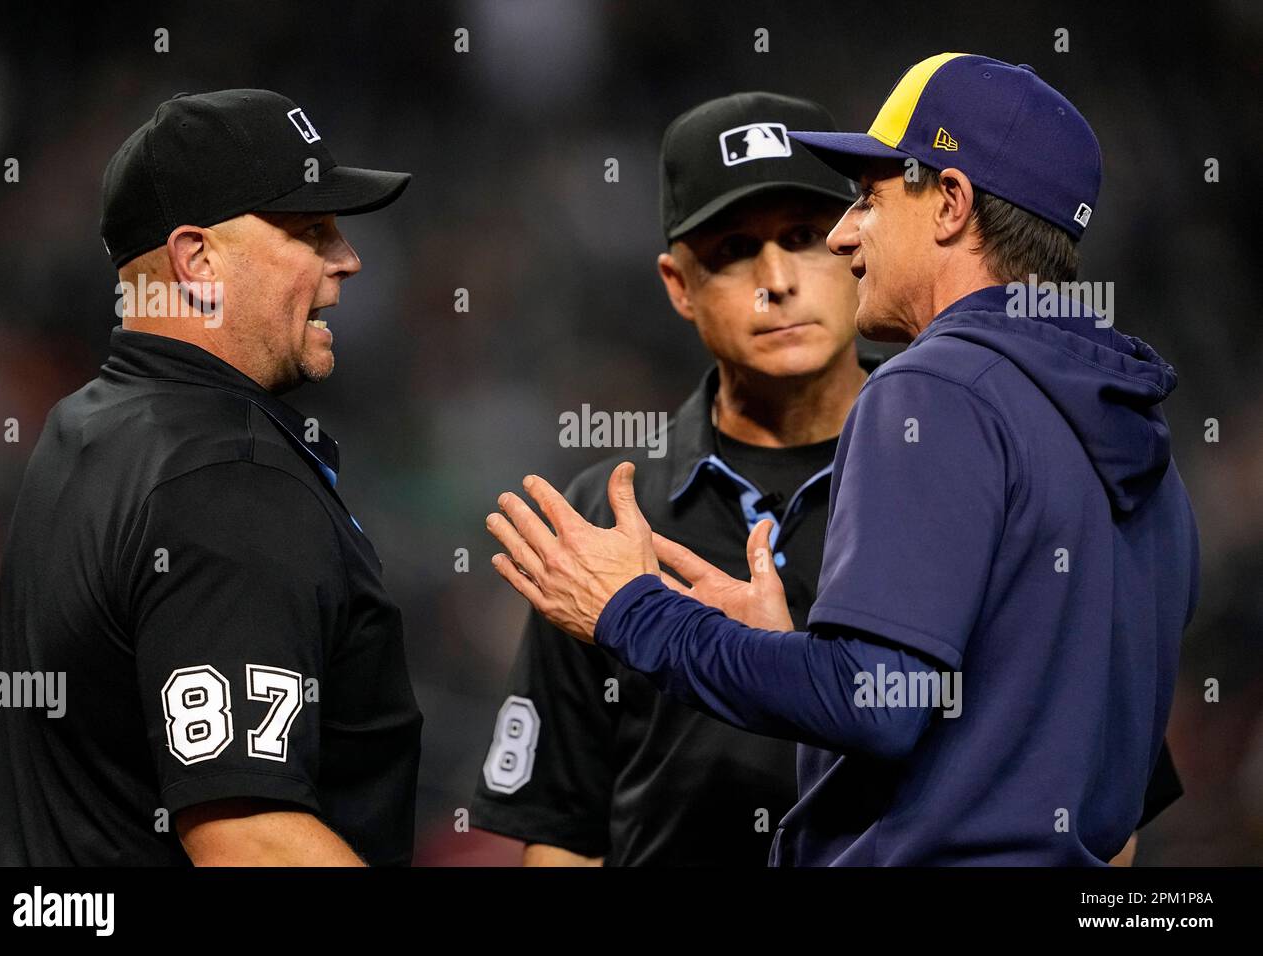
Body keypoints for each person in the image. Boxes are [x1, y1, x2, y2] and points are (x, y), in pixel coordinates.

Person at [485, 54, 1198, 865]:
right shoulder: (1133, 436)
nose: (842, 233)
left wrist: (634, 613)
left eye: (867, 198)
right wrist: (788, 660)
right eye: (735, 251)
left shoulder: (933, 388)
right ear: (678, 284)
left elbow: (877, 705)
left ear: (952, 204)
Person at [0, 89, 422, 866]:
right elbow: (250, 839)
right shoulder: (227, 479)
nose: (348, 259)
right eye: (312, 230)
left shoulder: (82, 428)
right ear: (197, 258)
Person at [472, 92, 868, 866]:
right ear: (678, 285)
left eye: (804, 235)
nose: (777, 279)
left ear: (858, 242)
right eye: (732, 250)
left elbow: (1084, 789)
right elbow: (562, 831)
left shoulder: (959, 469)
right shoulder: (608, 515)